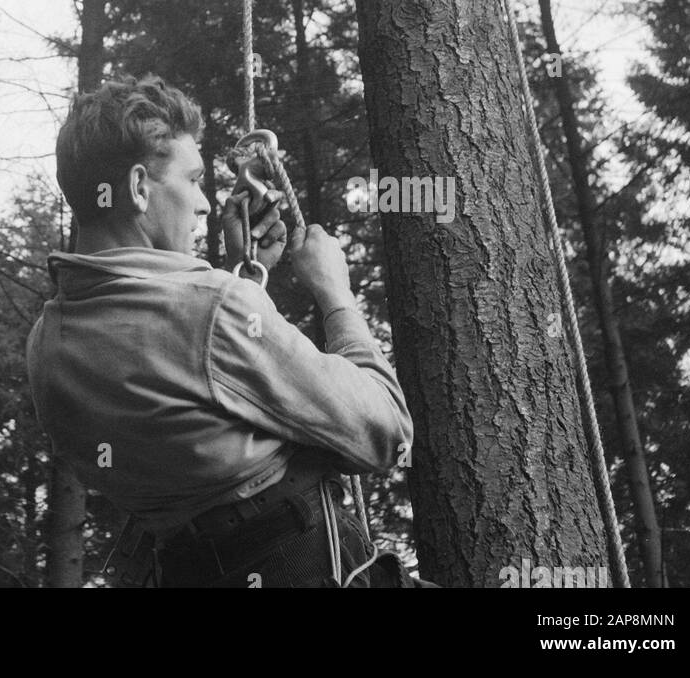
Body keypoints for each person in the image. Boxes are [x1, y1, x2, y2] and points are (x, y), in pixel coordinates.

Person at [26, 72, 434, 587]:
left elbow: (197, 411)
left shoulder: (47, 343)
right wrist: (335, 294)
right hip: (304, 563)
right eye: (193, 180)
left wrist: (246, 276)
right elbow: (386, 433)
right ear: (136, 188)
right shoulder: (210, 309)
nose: (203, 204)